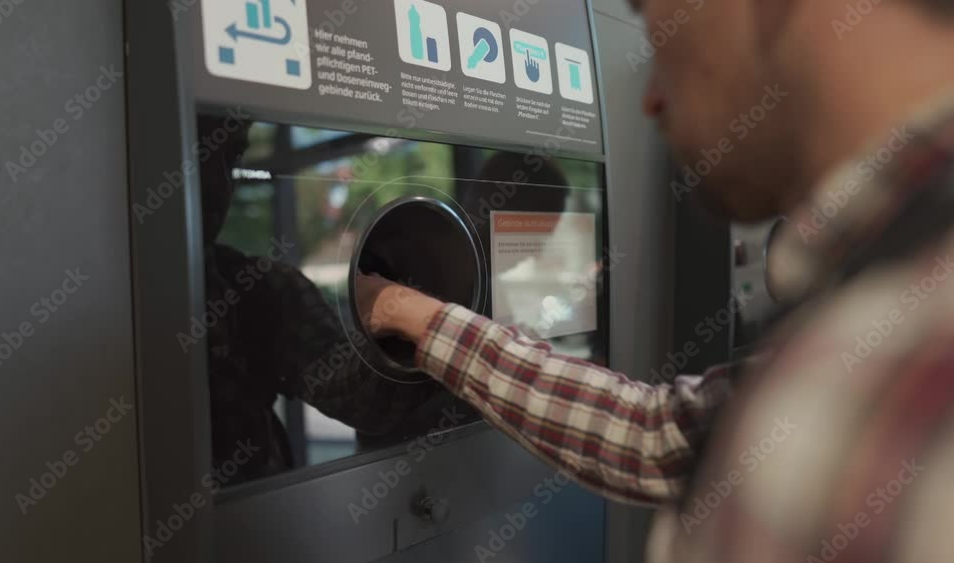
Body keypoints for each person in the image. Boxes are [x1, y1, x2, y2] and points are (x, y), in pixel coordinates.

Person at [356, 0, 954, 560]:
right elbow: (655, 434)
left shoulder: (901, 363)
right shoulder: (866, 319)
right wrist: (416, 315)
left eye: (657, 21)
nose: (649, 98)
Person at [198, 115, 440, 483]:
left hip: (257, 525)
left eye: (231, 158)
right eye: (195, 154)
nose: (217, 184)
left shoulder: (256, 288)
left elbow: (360, 398)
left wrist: (414, 317)